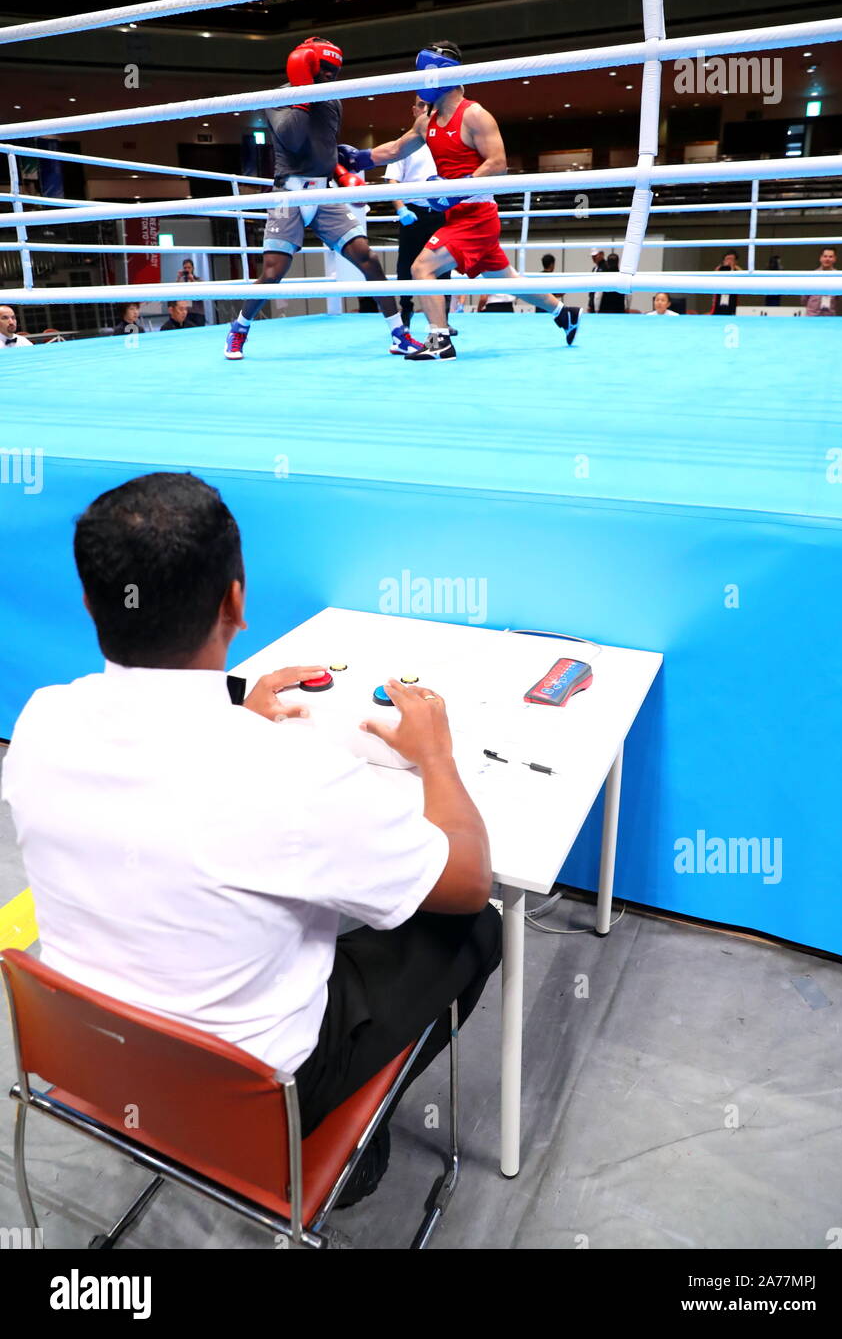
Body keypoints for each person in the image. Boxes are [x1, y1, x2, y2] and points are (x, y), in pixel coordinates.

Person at [1, 471, 501, 1205]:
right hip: (259, 1098)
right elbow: (467, 880)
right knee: (473, 930)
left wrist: (236, 720)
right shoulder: (290, 774)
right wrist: (436, 756)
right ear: (236, 600)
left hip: (92, 1059)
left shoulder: (38, 723)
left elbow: (159, 799)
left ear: (89, 601)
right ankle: (343, 1146)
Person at [338, 40, 581, 360]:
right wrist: (361, 158)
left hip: (476, 213)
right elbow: (398, 148)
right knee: (506, 278)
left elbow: (497, 163)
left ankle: (440, 340)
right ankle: (564, 313)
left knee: (421, 267)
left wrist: (454, 190)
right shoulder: (428, 119)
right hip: (457, 214)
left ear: (440, 75)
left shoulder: (474, 115)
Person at [224, 37, 423, 360]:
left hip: (324, 191)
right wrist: (303, 94)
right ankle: (238, 330)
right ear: (308, 65)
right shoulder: (278, 98)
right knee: (274, 272)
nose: (330, 76)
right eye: (324, 70)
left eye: (334, 71)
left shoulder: (333, 101)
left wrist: (343, 172)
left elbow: (324, 145)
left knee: (368, 259)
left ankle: (399, 333)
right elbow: (292, 138)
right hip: (288, 192)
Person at [385, 97, 456, 335]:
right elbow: (392, 180)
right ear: (414, 109)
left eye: (429, 105)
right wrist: (400, 208)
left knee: (443, 268)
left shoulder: (445, 140)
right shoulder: (404, 143)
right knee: (405, 267)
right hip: (413, 213)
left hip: (440, 212)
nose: (425, 109)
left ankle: (442, 323)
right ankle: (405, 316)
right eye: (421, 105)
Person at [801, 247, 839, 316]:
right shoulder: (812, 275)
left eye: (830, 257)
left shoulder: (839, 276)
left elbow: (841, 297)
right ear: (820, 258)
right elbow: (804, 298)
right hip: (812, 314)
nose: (827, 259)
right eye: (825, 256)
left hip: (829, 315)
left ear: (835, 259)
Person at [709, 250, 742, 316]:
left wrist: (733, 268)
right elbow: (712, 280)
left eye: (731, 259)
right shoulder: (719, 269)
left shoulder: (737, 270)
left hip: (731, 305)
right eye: (727, 259)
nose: (729, 261)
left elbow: (744, 278)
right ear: (723, 261)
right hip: (718, 306)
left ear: (735, 261)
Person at [587, 247, 605, 313]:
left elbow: (599, 289)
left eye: (595, 256)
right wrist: (590, 304)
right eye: (592, 256)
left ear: (602, 254)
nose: (593, 258)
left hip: (602, 305)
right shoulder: (594, 268)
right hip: (594, 304)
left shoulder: (606, 268)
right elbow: (592, 289)